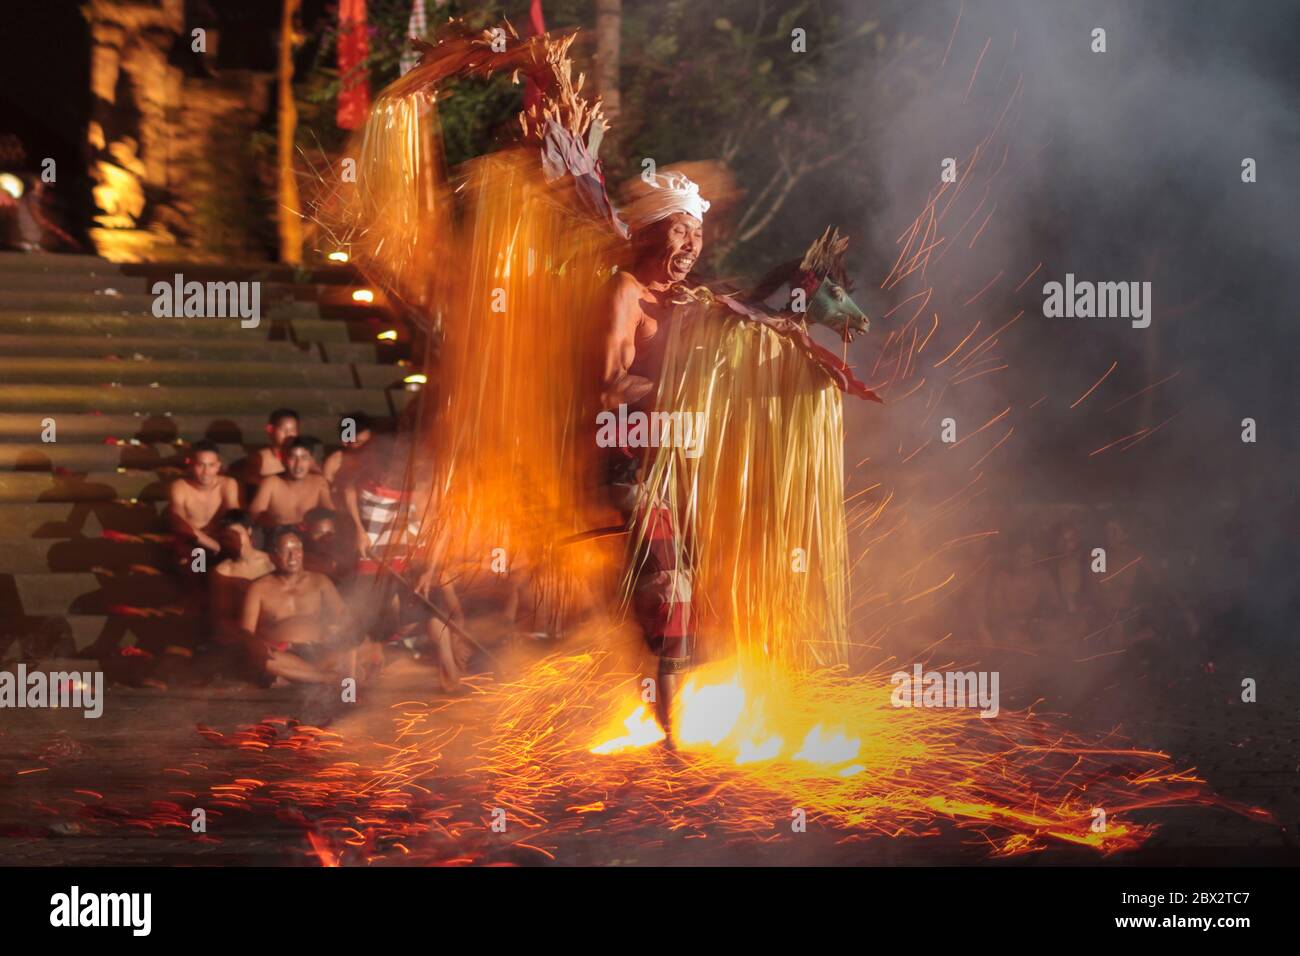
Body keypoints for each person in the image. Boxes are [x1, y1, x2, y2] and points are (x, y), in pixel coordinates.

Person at [596, 171, 708, 744]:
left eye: (697, 235)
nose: (690, 245)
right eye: (679, 231)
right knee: (671, 582)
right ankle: (671, 737)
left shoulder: (687, 301)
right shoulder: (623, 289)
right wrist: (673, 396)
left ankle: (686, 717)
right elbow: (609, 387)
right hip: (634, 462)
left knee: (702, 578)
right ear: (652, 232)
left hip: (683, 461)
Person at [239, 525, 356, 684]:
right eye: (285, 551)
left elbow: (343, 617)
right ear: (273, 555)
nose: (292, 556)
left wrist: (341, 628)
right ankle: (324, 678)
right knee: (263, 659)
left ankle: (299, 677)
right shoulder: (259, 588)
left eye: (297, 549)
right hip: (284, 656)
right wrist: (259, 648)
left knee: (356, 643)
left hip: (320, 651)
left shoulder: (320, 581)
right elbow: (246, 633)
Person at [167, 439, 240, 568]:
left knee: (235, 562)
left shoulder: (228, 484)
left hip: (221, 539)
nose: (206, 472)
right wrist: (212, 544)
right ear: (191, 464)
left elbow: (234, 515)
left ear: (218, 466)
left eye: (211, 465)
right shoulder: (180, 487)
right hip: (194, 542)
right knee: (198, 568)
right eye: (200, 465)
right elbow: (180, 523)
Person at [210, 509, 274, 648]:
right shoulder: (222, 572)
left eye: (238, 534)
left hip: (274, 629)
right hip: (242, 636)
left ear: (249, 531)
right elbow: (222, 619)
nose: (234, 541)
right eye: (228, 536)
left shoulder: (272, 562)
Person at [249, 437, 334, 530]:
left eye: (304, 458)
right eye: (293, 458)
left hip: (309, 535)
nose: (298, 464)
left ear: (311, 460)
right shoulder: (270, 483)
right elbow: (254, 516)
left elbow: (330, 513)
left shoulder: (319, 482)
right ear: (284, 459)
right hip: (277, 536)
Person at [322, 410, 373, 488]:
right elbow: (325, 492)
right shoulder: (334, 463)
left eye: (367, 442)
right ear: (345, 442)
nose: (365, 447)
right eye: (359, 442)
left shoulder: (374, 456)